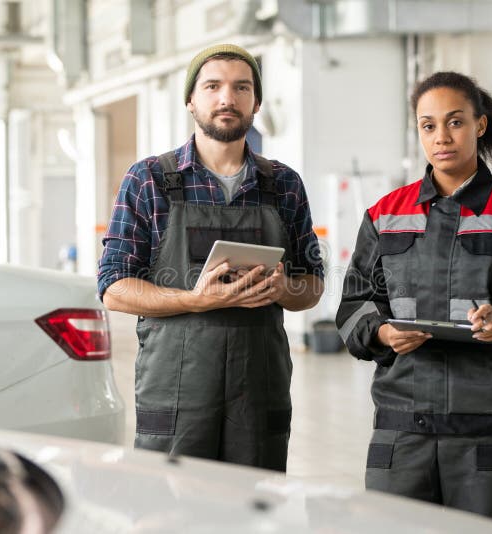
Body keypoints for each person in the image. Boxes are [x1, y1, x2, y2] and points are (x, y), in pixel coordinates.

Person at [336, 71, 492, 526]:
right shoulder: (385, 215)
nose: (442, 136)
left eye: (455, 122)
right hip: (403, 429)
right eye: (428, 125)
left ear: (480, 125)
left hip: (488, 432)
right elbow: (355, 303)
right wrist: (381, 332)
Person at [98, 44, 324, 471]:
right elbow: (113, 287)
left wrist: (285, 288)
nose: (227, 98)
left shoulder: (283, 185)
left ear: (256, 102)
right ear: (191, 100)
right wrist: (194, 301)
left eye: (242, 87)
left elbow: (312, 285)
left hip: (258, 391)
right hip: (176, 393)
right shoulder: (149, 180)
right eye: (213, 86)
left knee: (254, 513)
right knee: (173, 512)